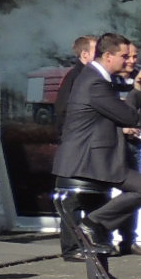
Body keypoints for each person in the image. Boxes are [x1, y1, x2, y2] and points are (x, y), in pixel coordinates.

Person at [52, 33, 141, 279]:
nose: (129, 61)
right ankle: (92, 225)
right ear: (108, 56)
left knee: (99, 219)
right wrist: (136, 90)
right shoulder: (95, 82)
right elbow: (128, 116)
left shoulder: (94, 79)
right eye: (124, 56)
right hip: (88, 162)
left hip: (91, 159)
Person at [52, 36, 96, 260]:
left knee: (85, 197)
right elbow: (63, 112)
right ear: (85, 55)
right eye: (97, 52)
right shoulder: (78, 78)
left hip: (80, 144)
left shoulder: (85, 76)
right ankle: (71, 247)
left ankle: (84, 243)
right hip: (76, 146)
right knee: (73, 199)